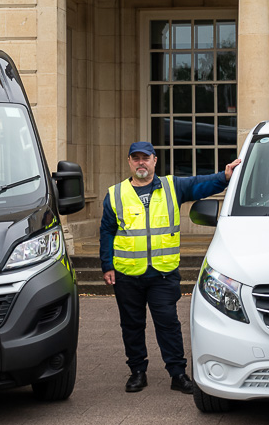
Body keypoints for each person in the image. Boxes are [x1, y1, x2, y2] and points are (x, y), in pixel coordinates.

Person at [101, 142, 240, 394]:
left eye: (145, 158)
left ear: (154, 160)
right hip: (127, 274)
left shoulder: (171, 186)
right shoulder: (115, 193)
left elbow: (200, 184)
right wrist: (107, 265)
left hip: (162, 274)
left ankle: (177, 374)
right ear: (129, 162)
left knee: (168, 324)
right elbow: (107, 232)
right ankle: (137, 372)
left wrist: (225, 177)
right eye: (136, 158)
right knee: (131, 326)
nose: (141, 163)